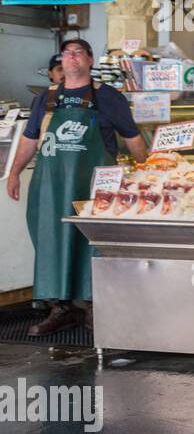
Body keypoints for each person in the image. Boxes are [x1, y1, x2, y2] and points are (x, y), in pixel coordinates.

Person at [6, 38, 148, 336]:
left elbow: (133, 137)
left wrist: (148, 173)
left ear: (90, 59)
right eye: (67, 54)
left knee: (94, 242)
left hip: (96, 184)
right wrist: (15, 172)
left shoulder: (109, 97)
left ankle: (97, 306)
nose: (72, 58)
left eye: (78, 52)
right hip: (51, 186)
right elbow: (30, 139)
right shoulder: (45, 98)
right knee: (50, 241)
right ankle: (61, 308)